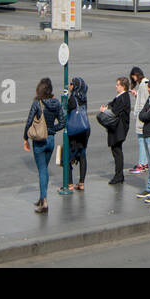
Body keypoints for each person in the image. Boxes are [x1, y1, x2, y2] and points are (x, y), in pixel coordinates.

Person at [21, 78, 64, 214]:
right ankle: (41, 197)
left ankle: (44, 201)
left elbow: (29, 122)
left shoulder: (37, 104)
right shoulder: (56, 103)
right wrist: (52, 129)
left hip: (39, 140)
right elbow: (63, 122)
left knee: (42, 170)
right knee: (44, 169)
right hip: (50, 140)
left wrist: (25, 138)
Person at [99, 77, 131, 185]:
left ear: (123, 86)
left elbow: (114, 112)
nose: (116, 86)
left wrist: (105, 110)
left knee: (117, 152)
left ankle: (118, 175)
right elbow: (112, 104)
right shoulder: (121, 97)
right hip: (118, 128)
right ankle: (119, 175)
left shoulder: (123, 97)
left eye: (118, 85)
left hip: (118, 128)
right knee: (116, 151)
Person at [66, 76, 91, 190]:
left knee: (67, 156)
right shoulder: (83, 97)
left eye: (71, 84)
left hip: (75, 130)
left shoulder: (72, 98)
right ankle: (81, 183)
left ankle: (69, 183)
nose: (69, 85)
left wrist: (66, 97)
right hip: (84, 129)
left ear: (75, 86)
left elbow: (66, 110)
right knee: (82, 155)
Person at [128, 67, 149, 174]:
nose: (134, 80)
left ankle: (142, 163)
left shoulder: (144, 84)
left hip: (142, 117)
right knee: (143, 141)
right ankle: (144, 163)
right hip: (143, 116)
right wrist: (136, 95)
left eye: (134, 77)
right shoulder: (144, 84)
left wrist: (142, 116)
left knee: (142, 141)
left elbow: (144, 102)